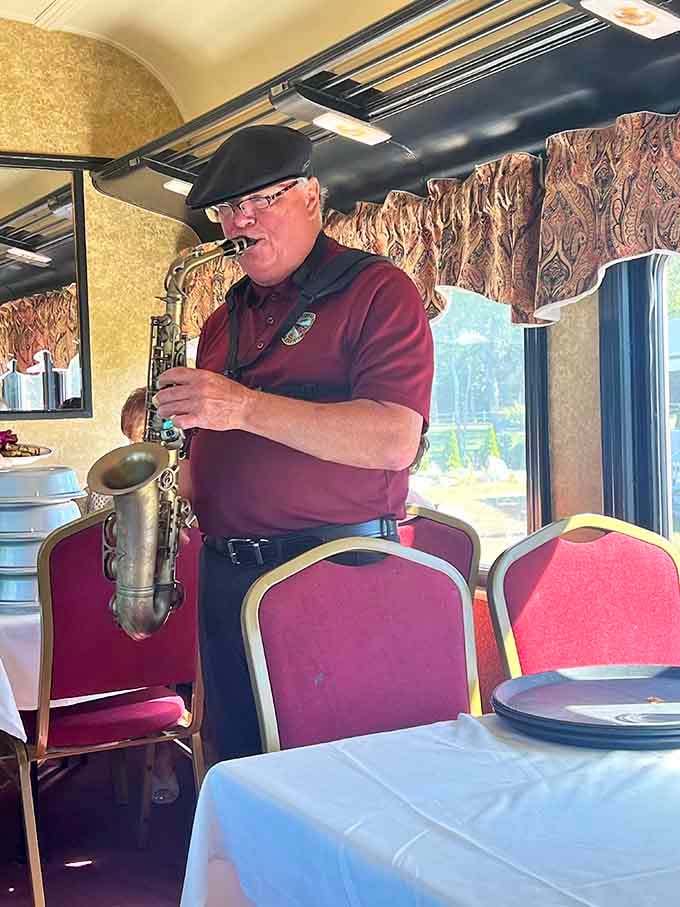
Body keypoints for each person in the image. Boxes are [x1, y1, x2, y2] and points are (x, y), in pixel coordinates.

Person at [154, 125, 434, 762]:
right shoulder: (221, 320)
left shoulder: (376, 290)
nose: (240, 222)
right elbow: (212, 448)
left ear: (311, 196)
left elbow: (395, 438)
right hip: (228, 573)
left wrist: (243, 407)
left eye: (260, 202)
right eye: (229, 210)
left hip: (333, 572)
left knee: (332, 772)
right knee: (242, 763)